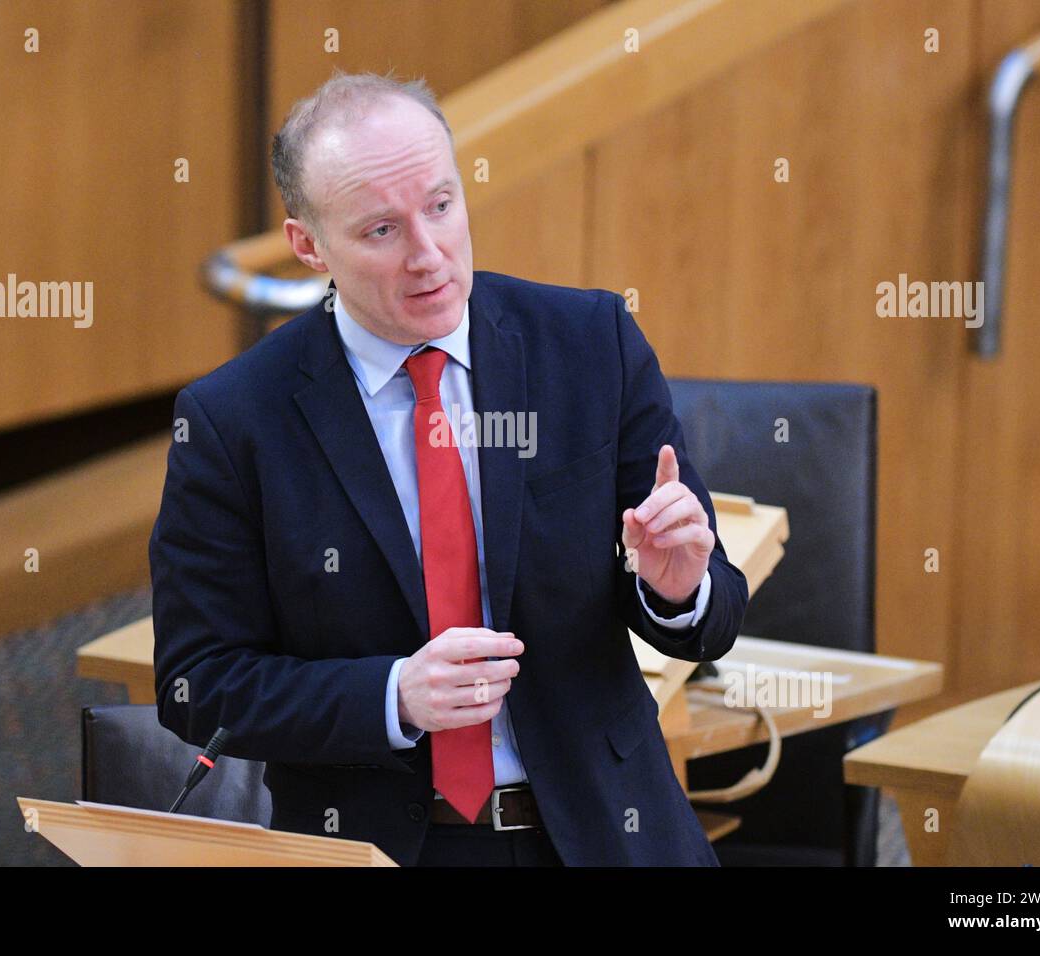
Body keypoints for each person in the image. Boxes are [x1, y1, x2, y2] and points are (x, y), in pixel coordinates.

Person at [149, 70, 748, 866]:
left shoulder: (587, 344)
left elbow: (713, 613)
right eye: (381, 232)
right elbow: (198, 680)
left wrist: (674, 590)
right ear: (308, 246)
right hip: (390, 844)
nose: (429, 256)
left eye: (440, 206)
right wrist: (392, 694)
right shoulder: (234, 421)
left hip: (607, 831)